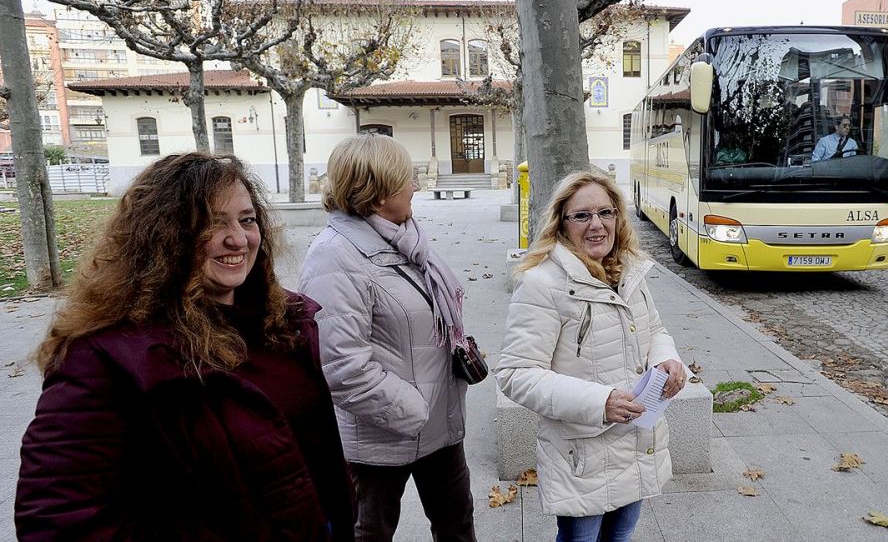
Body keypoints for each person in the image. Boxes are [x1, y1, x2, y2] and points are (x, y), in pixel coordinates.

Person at [15, 153, 356, 541]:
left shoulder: (282, 321)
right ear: (164, 235)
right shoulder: (104, 358)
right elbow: (59, 520)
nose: (238, 238)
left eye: (247, 219)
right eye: (212, 223)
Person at [299, 134, 476, 542]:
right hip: (382, 438)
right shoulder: (334, 256)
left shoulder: (407, 240)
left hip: (440, 428)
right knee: (369, 534)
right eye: (406, 178)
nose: (415, 185)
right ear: (376, 195)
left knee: (458, 528)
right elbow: (341, 367)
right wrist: (415, 409)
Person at [495, 171, 687, 542]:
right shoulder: (542, 284)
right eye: (582, 216)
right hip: (582, 456)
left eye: (605, 212)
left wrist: (667, 359)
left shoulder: (630, 270)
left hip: (635, 442)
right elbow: (515, 374)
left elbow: (655, 331)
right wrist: (601, 402)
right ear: (562, 224)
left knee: (621, 535)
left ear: (618, 216)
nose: (596, 225)